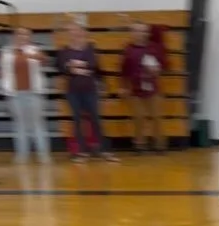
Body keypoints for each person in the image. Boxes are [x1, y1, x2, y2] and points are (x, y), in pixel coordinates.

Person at [57, 23, 117, 163]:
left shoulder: (90, 48)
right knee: (77, 120)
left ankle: (104, 150)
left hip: (90, 90)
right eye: (71, 31)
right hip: (73, 91)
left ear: (83, 32)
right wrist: (74, 67)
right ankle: (81, 152)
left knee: (96, 119)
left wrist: (75, 66)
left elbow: (94, 66)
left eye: (77, 30)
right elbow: (61, 67)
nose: (74, 33)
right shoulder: (64, 50)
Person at [0, 27, 51, 164]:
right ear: (15, 36)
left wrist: (35, 56)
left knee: (37, 123)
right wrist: (4, 87)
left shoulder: (34, 49)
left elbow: (45, 60)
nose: (23, 36)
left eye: (26, 34)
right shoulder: (6, 51)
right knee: (19, 124)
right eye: (20, 34)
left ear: (30, 37)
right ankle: (22, 154)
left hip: (34, 92)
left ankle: (43, 154)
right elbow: (3, 71)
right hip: (14, 93)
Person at [120, 21, 167, 153]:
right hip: (135, 90)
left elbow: (163, 65)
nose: (140, 33)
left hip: (153, 89)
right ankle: (139, 144)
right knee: (138, 117)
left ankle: (159, 144)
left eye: (143, 31)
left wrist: (157, 70)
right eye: (136, 30)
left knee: (156, 117)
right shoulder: (128, 49)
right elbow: (124, 70)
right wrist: (123, 87)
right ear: (132, 33)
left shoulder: (154, 48)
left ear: (147, 33)